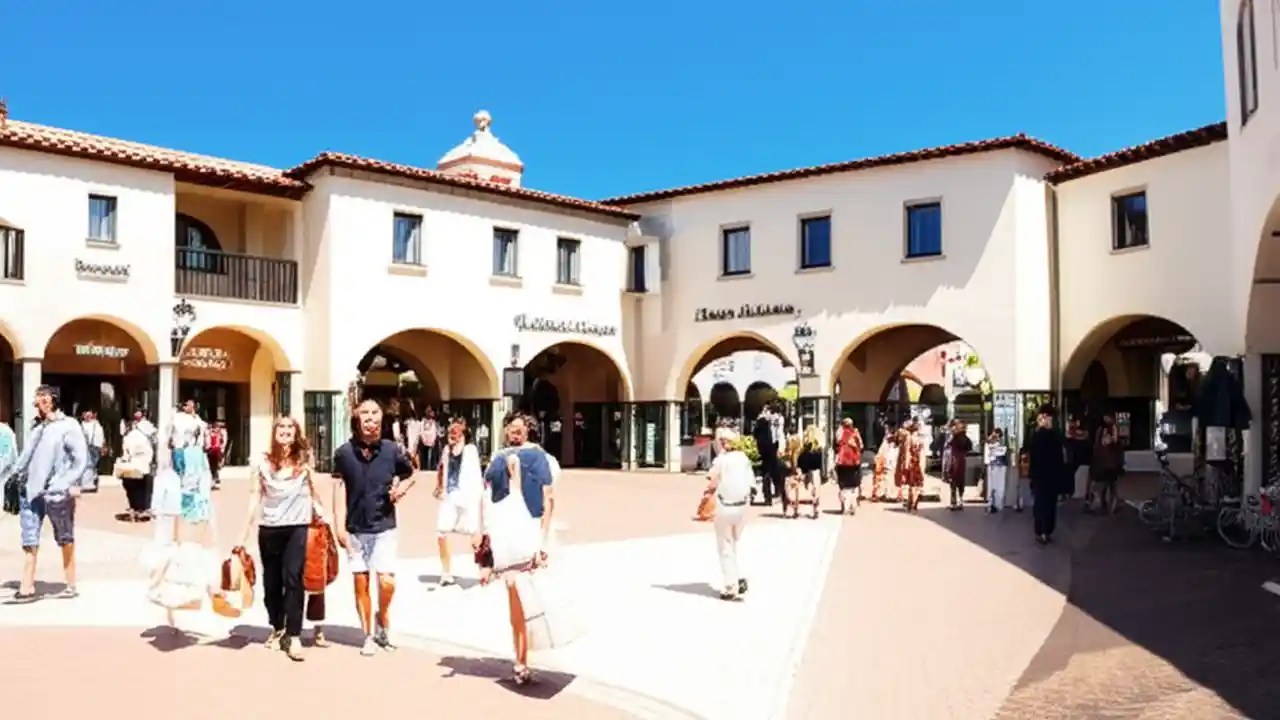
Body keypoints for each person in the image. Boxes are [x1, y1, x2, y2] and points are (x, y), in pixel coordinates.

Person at [240, 416, 328, 662]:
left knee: (293, 578)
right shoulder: (262, 462)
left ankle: (294, 634)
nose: (286, 431)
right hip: (269, 527)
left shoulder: (304, 460)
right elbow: (254, 497)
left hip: (297, 527)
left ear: (296, 432)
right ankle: (278, 627)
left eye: (290, 427)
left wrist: (324, 517)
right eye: (281, 427)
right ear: (274, 432)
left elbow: (314, 491)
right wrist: (243, 534)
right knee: (271, 584)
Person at [332, 399, 415, 656]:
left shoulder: (392, 450)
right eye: (365, 413)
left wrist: (401, 488)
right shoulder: (343, 453)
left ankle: (382, 616)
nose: (370, 417)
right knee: (361, 582)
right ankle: (368, 635)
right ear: (356, 419)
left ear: (382, 417)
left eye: (375, 412)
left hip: (384, 525)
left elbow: (411, 473)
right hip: (356, 527)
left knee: (387, 581)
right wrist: (338, 525)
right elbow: (339, 488)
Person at [477, 412, 556, 684]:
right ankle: (521, 659)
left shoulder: (537, 457)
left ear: (528, 431)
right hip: (508, 534)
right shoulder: (499, 458)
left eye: (519, 429)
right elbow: (486, 497)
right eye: (511, 428)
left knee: (531, 599)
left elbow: (549, 498)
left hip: (529, 530)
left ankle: (527, 655)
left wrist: (543, 538)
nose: (514, 432)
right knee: (516, 601)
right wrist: (484, 544)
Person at [12, 385, 89, 601]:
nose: (40, 405)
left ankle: (70, 582)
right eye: (38, 401)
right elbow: (27, 455)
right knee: (29, 538)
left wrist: (63, 483)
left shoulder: (68, 426)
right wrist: (16, 476)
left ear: (54, 400)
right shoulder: (38, 427)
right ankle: (26, 586)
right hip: (31, 491)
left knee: (65, 537)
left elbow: (80, 459)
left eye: (44, 400)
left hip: (56, 493)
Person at [701, 427, 754, 600]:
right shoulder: (744, 458)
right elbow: (751, 483)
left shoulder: (721, 460)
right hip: (742, 506)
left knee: (725, 545)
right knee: (736, 541)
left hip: (724, 505)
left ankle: (731, 584)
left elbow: (711, 479)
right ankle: (739, 576)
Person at [433, 418, 483, 588]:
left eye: (455, 432)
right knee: (441, 532)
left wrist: (476, 499)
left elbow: (476, 476)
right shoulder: (446, 450)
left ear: (463, 434)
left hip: (466, 497)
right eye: (450, 431)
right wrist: (439, 486)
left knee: (475, 533)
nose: (451, 434)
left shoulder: (470, 450)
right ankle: (446, 573)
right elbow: (441, 468)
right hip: (449, 497)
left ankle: (485, 568)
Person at [1027, 406, 1066, 545]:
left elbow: (1031, 455)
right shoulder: (1056, 436)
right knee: (1049, 504)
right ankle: (1046, 531)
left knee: (1041, 503)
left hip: (1040, 475)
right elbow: (1060, 457)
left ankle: (1042, 531)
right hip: (1051, 476)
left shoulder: (1037, 436)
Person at [119, 418, 155, 522]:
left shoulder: (130, 436)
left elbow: (126, 452)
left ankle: (134, 510)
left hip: (131, 467)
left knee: (132, 491)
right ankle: (143, 510)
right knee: (143, 490)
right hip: (143, 468)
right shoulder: (144, 438)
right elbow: (149, 454)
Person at [1091, 413, 1123, 515]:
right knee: (1110, 485)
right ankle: (1110, 506)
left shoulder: (1107, 428)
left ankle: (1107, 505)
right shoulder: (1108, 428)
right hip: (1108, 463)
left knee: (1107, 485)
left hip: (1107, 463)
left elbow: (1112, 442)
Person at [791, 425, 824, 519]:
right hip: (815, 470)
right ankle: (815, 508)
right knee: (815, 489)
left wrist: (798, 468)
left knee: (799, 489)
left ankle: (797, 509)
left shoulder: (804, 447)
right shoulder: (818, 448)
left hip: (803, 470)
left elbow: (800, 459)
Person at [752, 410, 782, 510]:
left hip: (764, 456)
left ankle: (767, 497)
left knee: (766, 476)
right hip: (772, 454)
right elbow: (776, 441)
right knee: (775, 474)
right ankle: (778, 492)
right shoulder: (769, 431)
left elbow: (755, 435)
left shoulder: (759, 433)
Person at [833, 418, 863, 515]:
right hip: (854, 462)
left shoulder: (839, 433)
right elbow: (861, 446)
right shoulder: (855, 433)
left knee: (843, 486)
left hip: (842, 462)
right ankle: (853, 505)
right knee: (854, 485)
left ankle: (844, 507)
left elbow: (836, 446)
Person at [946, 421, 974, 511]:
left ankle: (953, 503)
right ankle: (960, 501)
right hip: (962, 461)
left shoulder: (954, 438)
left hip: (954, 461)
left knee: (953, 482)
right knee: (961, 482)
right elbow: (969, 447)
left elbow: (949, 448)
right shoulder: (966, 438)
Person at [901, 422, 926, 513]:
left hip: (912, 463)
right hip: (919, 463)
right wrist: (923, 465)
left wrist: (906, 465)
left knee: (911, 485)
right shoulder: (920, 440)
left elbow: (907, 452)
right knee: (918, 484)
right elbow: (922, 453)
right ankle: (915, 503)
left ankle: (911, 503)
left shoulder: (909, 439)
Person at [984, 428, 1009, 513]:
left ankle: (995, 504)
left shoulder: (999, 443)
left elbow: (1002, 452)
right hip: (996, 465)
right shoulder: (991, 442)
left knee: (996, 486)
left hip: (996, 465)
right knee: (996, 486)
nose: (996, 437)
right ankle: (994, 504)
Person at [872, 428, 898, 502]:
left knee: (886, 479)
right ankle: (887, 494)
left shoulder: (887, 442)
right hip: (888, 462)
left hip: (887, 462)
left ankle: (886, 494)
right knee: (886, 479)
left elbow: (882, 453)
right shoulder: (890, 443)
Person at [206, 420, 228, 490]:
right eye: (214, 427)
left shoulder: (221, 433)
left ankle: (217, 482)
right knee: (212, 468)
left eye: (217, 427)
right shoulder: (210, 433)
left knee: (217, 468)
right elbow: (207, 442)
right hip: (211, 452)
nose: (216, 429)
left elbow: (224, 442)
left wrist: (222, 449)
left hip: (218, 452)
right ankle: (214, 482)